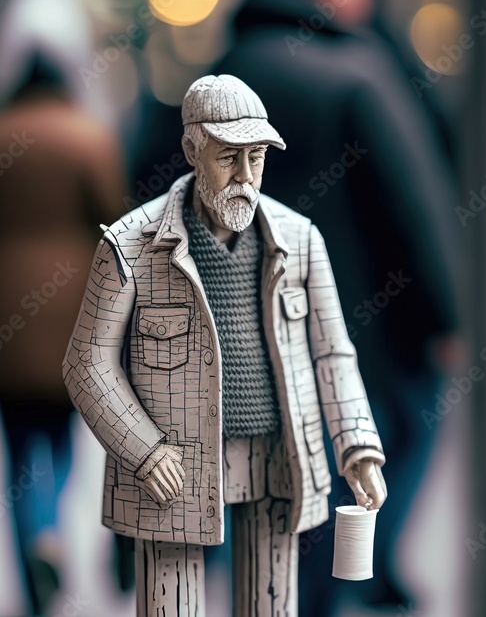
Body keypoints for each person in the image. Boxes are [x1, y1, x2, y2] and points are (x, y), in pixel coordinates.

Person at [63, 75, 387, 617]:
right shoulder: (128, 246)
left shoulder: (301, 240)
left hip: (278, 458)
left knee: (271, 604)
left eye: (255, 157)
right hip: (172, 467)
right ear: (192, 150)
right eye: (227, 157)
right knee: (170, 604)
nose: (244, 176)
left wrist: (356, 445)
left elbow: (334, 352)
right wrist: (143, 448)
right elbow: (87, 362)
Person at [212, 0, 462, 613]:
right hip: (357, 343)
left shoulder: (216, 76)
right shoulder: (359, 72)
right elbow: (416, 207)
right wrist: (447, 315)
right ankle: (365, 578)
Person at [0, 0, 128, 615]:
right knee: (61, 435)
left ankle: (34, 535)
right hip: (73, 312)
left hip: (1, 314)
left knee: (13, 441)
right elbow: (115, 221)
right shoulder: (91, 137)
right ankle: (54, 527)